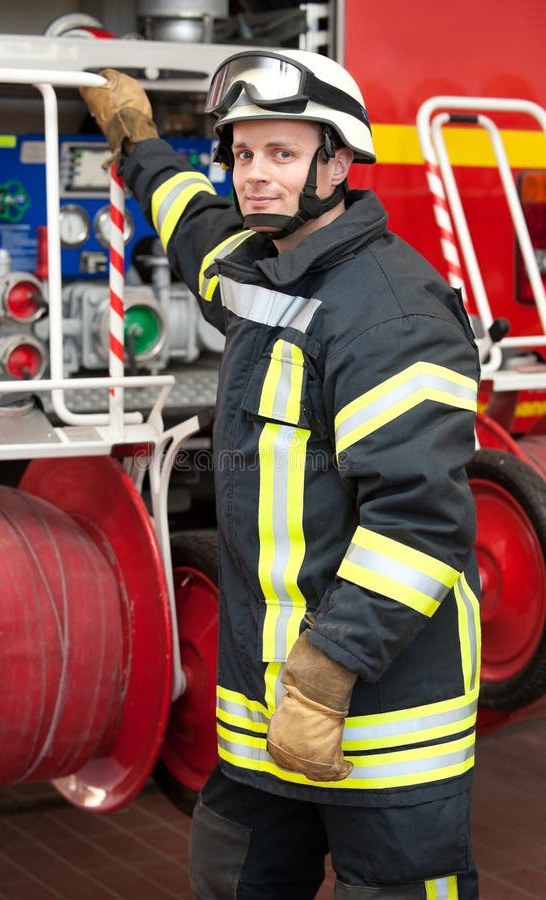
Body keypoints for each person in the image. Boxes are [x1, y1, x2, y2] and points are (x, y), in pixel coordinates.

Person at [80, 48, 481, 899]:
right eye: (240, 152)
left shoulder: (392, 315)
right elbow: (194, 227)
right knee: (232, 874)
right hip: (263, 719)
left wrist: (325, 671)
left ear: (337, 162)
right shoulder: (263, 271)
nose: (251, 175)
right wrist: (141, 144)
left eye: (281, 154)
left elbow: (421, 522)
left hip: (378, 719)